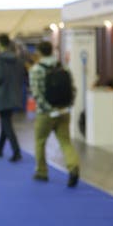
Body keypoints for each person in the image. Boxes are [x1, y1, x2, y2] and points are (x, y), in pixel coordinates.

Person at [29, 41, 81, 187]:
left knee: (40, 141)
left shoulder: (36, 69)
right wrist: (67, 106)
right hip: (64, 111)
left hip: (45, 113)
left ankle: (41, 171)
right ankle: (73, 167)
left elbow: (37, 93)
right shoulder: (63, 67)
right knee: (65, 141)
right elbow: (72, 89)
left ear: (38, 52)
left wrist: (49, 109)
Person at [0, 33, 25, 161]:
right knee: (6, 122)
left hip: (2, 95)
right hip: (15, 94)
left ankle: (16, 151)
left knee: (6, 124)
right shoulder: (17, 59)